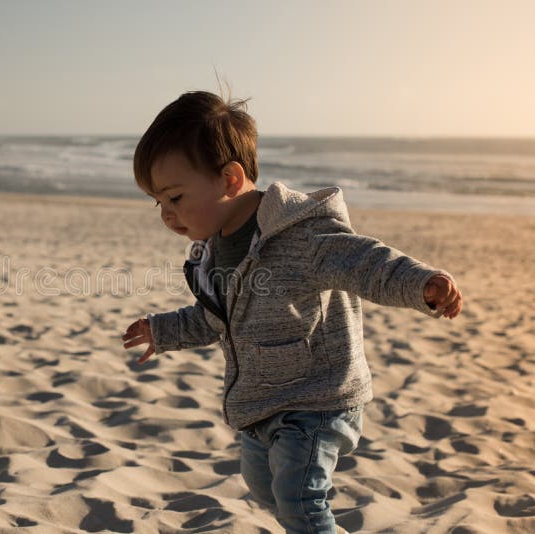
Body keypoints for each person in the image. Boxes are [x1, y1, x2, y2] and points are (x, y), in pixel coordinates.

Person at [121, 91, 463, 534]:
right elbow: (213, 318)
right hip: (260, 404)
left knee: (300, 504)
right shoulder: (210, 252)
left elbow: (366, 262)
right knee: (265, 489)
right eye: (158, 203)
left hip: (317, 401)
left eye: (175, 197)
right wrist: (162, 330)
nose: (167, 214)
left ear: (229, 178)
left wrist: (421, 284)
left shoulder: (300, 235)